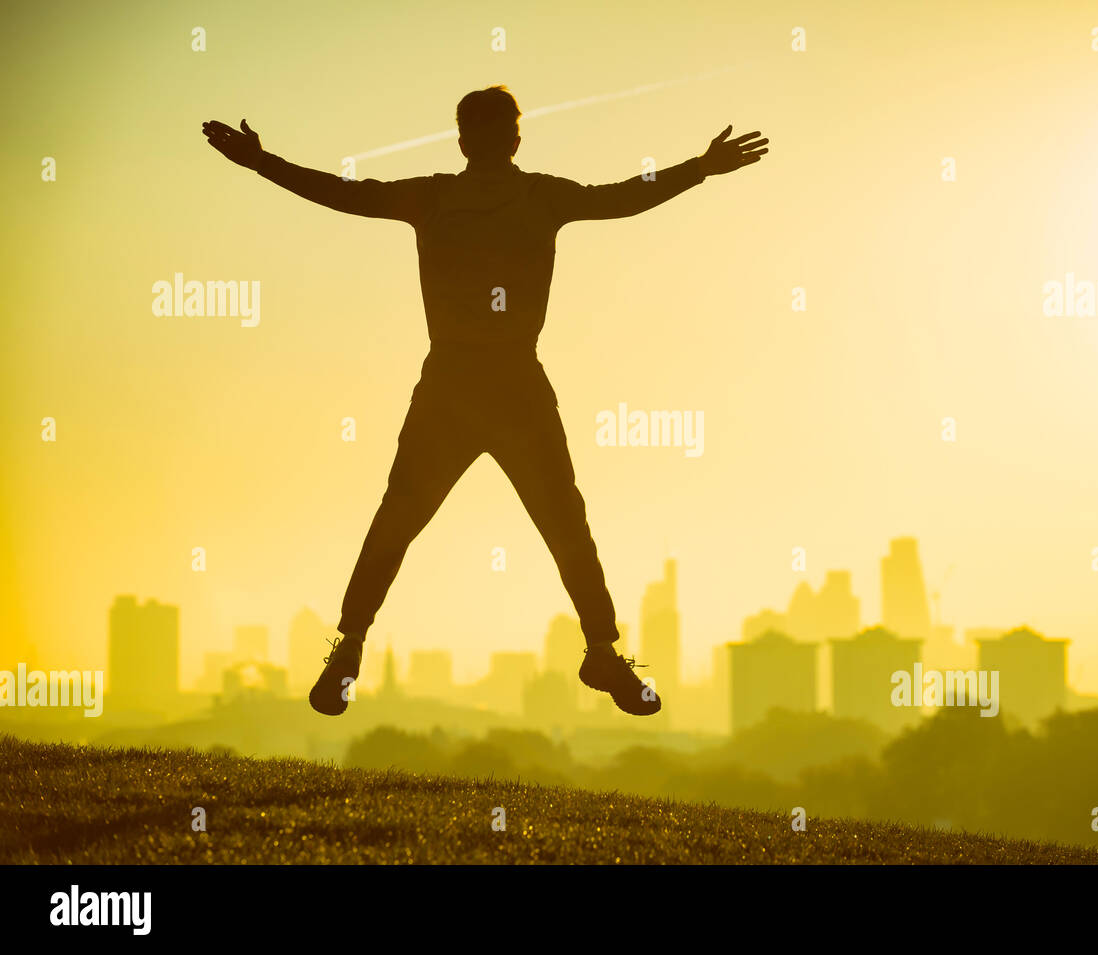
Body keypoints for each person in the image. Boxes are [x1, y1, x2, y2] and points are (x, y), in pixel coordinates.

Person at [201, 85, 767, 717]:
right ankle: (592, 650)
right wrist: (699, 168)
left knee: (422, 517)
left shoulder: (447, 196)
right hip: (488, 385)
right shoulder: (519, 196)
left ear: (467, 140)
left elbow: (343, 193)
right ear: (509, 140)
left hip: (474, 385)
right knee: (551, 522)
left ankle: (354, 646)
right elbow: (622, 200)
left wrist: (263, 163)